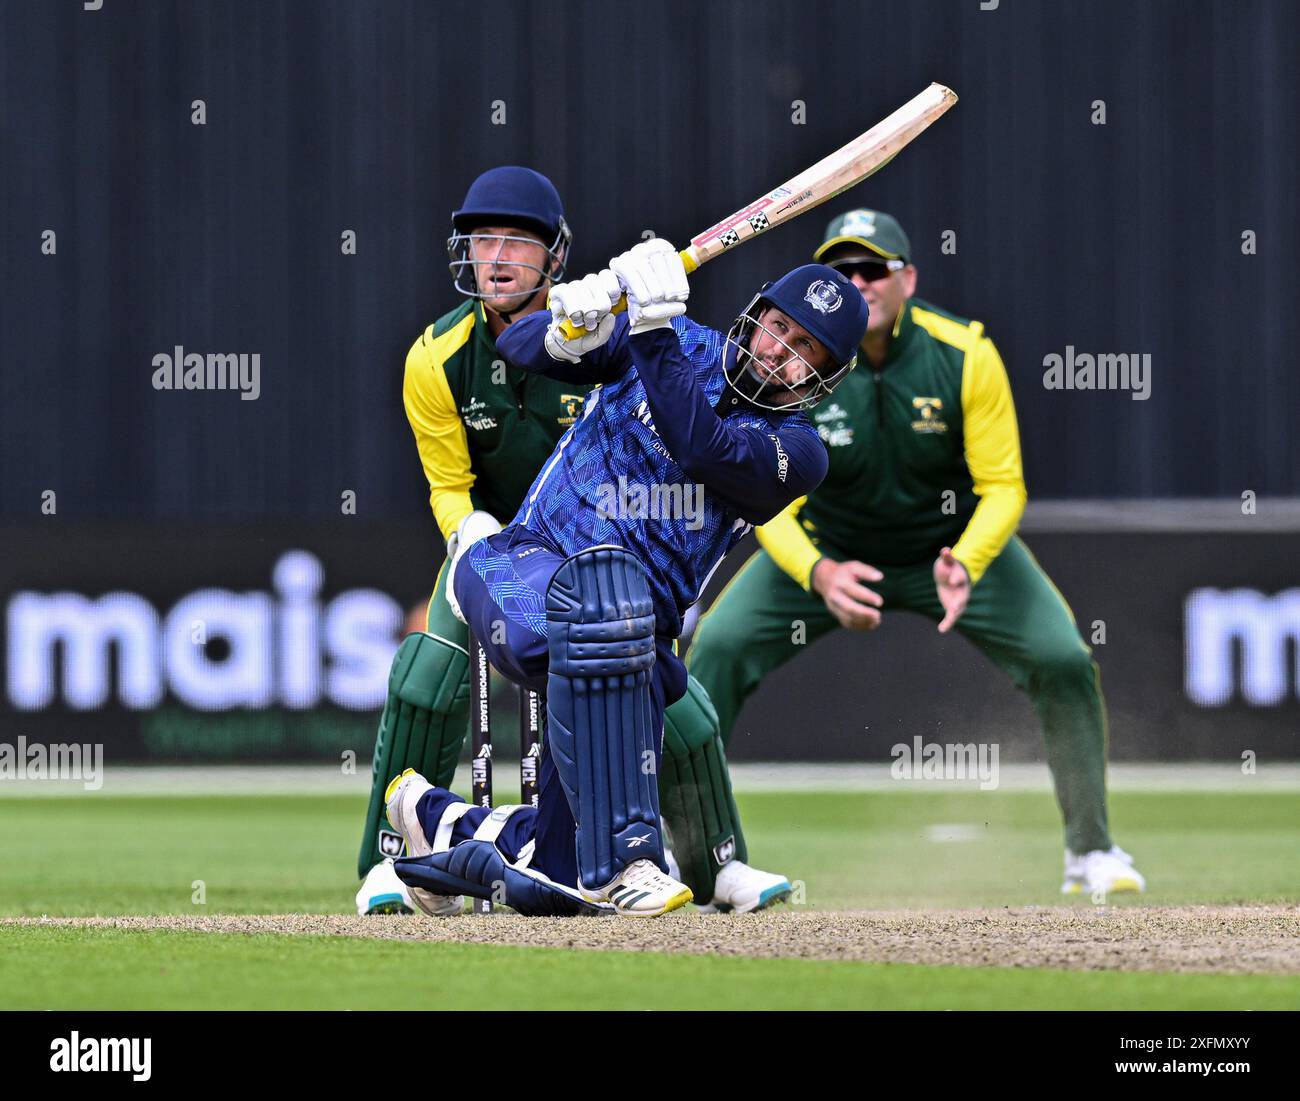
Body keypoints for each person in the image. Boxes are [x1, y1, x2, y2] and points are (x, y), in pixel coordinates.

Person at [385, 241, 868, 917]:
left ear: (826, 375)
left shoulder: (798, 450)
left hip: (629, 646)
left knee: (555, 878)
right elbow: (519, 347)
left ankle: (443, 824)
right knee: (595, 625)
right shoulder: (672, 342)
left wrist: (648, 326)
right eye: (780, 328)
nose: (779, 350)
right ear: (756, 315)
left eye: (804, 349)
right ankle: (630, 861)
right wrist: (569, 320)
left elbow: (702, 444)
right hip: (514, 564)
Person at [686, 209, 1146, 897]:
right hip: (831, 551)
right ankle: (690, 851)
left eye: (873, 269)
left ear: (908, 278)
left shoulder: (963, 351)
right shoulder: (787, 361)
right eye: (841, 271)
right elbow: (763, 497)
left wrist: (969, 557)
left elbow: (1004, 486)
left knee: (1063, 659)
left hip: (947, 554)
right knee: (713, 652)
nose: (857, 283)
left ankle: (1092, 849)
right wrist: (818, 570)